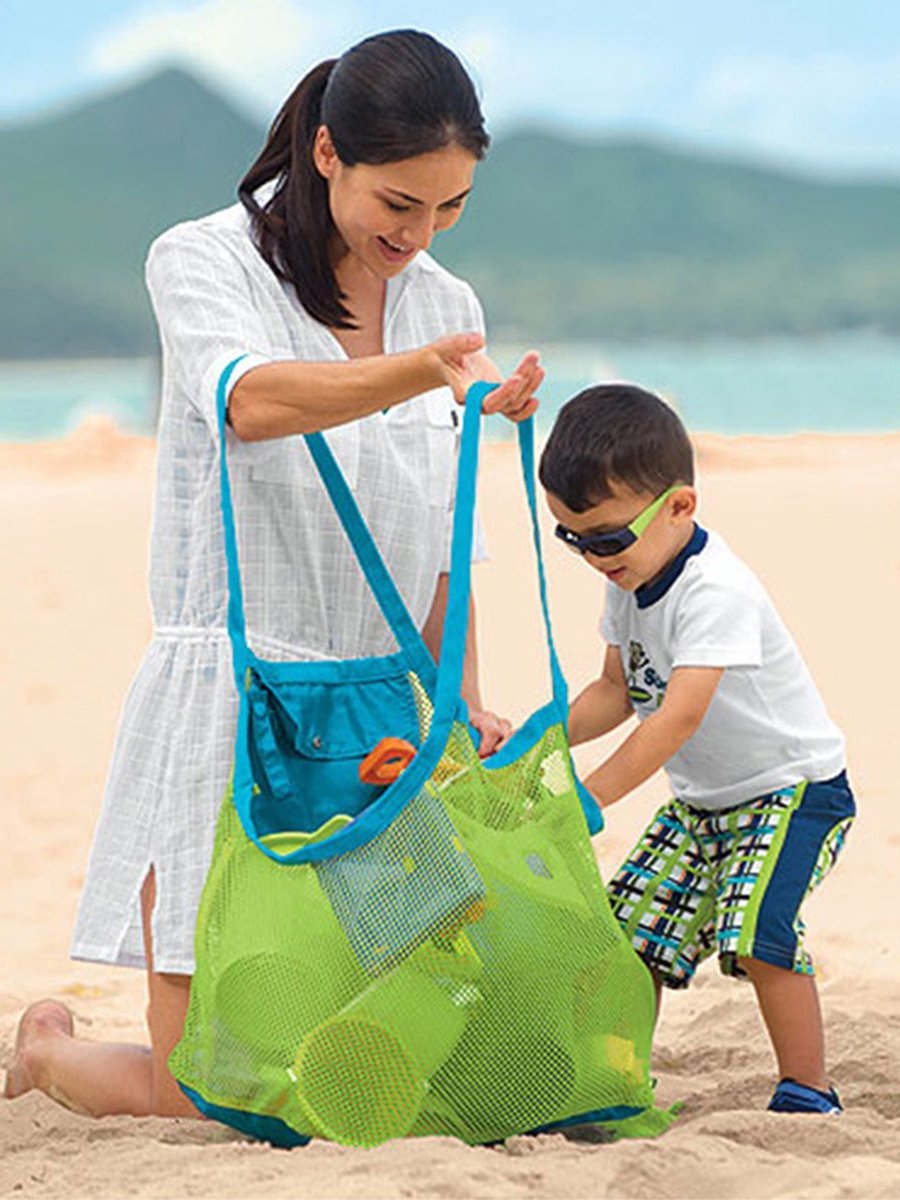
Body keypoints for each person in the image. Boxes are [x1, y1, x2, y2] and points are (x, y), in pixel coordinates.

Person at [4, 29, 543, 1119]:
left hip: (388, 721)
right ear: (329, 151)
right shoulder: (201, 260)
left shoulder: (446, 306)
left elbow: (449, 537)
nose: (420, 234)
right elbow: (248, 403)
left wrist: (464, 698)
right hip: (233, 699)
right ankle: (50, 1052)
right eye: (401, 202)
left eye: (449, 209)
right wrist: (420, 376)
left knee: (403, 1062)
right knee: (211, 1087)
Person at [539, 383, 855, 1115]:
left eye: (607, 537)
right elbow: (615, 692)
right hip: (705, 803)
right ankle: (619, 1080)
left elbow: (674, 718)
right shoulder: (630, 577)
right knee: (630, 936)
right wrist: (538, 739)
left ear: (680, 506)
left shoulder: (716, 591)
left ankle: (810, 1089)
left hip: (794, 794)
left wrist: (588, 799)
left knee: (758, 935)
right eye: (572, 538)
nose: (592, 557)